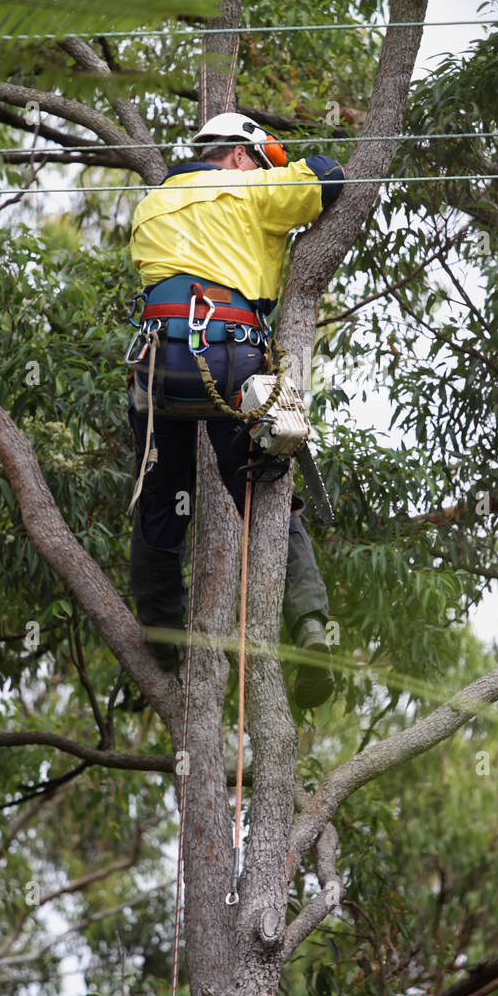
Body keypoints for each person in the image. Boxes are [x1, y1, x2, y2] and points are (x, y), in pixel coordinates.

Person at [126, 113, 344, 708]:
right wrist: (277, 155)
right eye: (260, 158)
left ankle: (163, 641)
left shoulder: (151, 205)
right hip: (230, 361)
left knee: (161, 491)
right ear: (242, 156)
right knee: (264, 492)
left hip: (155, 366)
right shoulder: (250, 188)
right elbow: (328, 177)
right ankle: (311, 626)